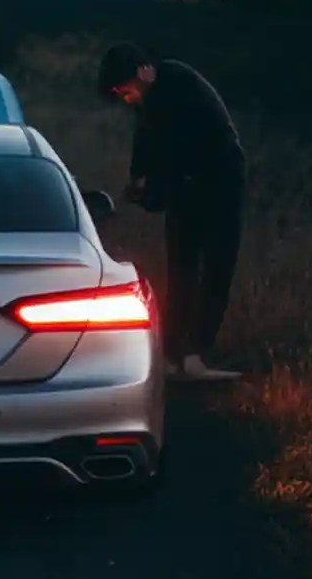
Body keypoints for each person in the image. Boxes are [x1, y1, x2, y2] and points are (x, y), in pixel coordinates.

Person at [98, 42, 245, 380]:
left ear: (141, 72)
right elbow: (146, 143)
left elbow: (180, 149)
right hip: (186, 183)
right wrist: (138, 179)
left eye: (124, 90)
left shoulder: (177, 85)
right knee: (181, 268)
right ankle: (173, 355)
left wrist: (154, 189)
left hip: (219, 181)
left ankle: (195, 354)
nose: (126, 98)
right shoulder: (148, 101)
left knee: (216, 266)